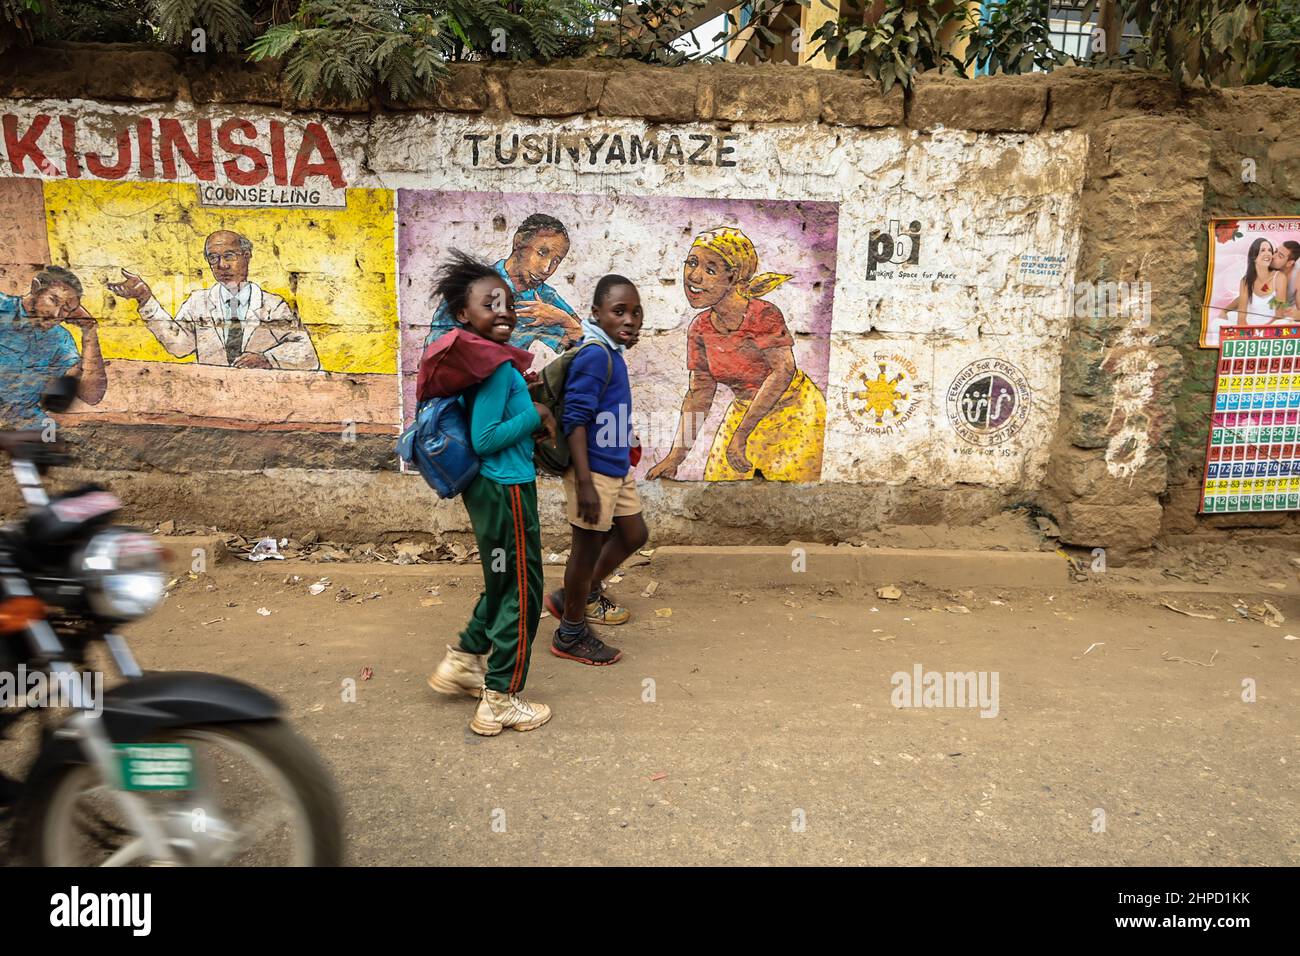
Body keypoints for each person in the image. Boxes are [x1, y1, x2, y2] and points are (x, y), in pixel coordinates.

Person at [424, 251, 559, 735]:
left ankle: (463, 661)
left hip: (489, 490)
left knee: (504, 582)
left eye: (506, 301)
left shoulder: (477, 360)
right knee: (524, 593)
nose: (503, 311)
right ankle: (501, 696)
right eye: (489, 304)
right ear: (465, 315)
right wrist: (537, 417)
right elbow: (484, 438)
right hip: (507, 490)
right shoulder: (494, 368)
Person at [646, 226, 826, 482]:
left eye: (710, 270)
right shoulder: (701, 327)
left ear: (734, 279)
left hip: (795, 412)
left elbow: (782, 372)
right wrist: (675, 457)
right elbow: (699, 394)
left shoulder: (763, 315)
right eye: (692, 263)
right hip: (744, 412)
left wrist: (741, 436)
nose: (694, 277)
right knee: (718, 487)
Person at [544, 275, 649, 666]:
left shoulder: (612, 353)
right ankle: (570, 632)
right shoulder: (594, 355)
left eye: (636, 312)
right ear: (596, 314)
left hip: (615, 468)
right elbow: (575, 420)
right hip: (594, 473)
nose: (630, 319)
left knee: (635, 533)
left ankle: (577, 594)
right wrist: (585, 483)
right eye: (619, 311)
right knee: (585, 549)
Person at [107, 230, 320, 370]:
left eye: (229, 256)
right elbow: (180, 346)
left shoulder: (273, 306)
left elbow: (306, 354)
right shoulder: (197, 303)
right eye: (213, 258)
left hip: (262, 398)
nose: (222, 265)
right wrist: (146, 300)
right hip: (212, 395)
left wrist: (267, 360)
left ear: (246, 256)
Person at [424, 214, 581, 362]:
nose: (546, 268)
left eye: (556, 261)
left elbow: (589, 350)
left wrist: (565, 320)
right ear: (518, 243)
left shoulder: (545, 299)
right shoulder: (474, 282)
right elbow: (436, 342)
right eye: (541, 253)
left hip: (509, 382)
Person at [0, 266, 106, 428]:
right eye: (53, 300)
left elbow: (91, 396)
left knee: (51, 438)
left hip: (20, 416)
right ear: (36, 289)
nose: (56, 315)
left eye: (66, 310)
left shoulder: (60, 339)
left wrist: (89, 330)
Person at [1210, 237, 1286, 347]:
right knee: (1216, 324)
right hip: (1250, 325)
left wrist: (1261, 332)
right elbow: (1241, 318)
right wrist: (1249, 331)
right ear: (1254, 256)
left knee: (1283, 324)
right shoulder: (1245, 281)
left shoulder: (1279, 278)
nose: (1268, 254)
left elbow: (1279, 315)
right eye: (1263, 250)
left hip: (1271, 326)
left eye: (1270, 250)